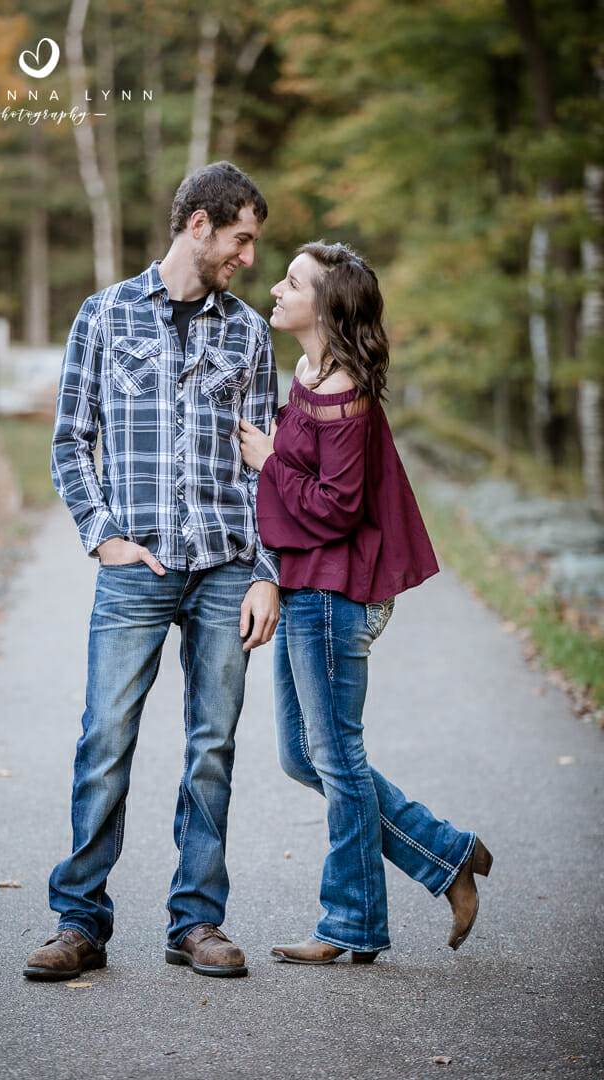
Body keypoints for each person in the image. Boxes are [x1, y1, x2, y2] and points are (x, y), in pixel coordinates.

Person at [23, 162, 280, 982]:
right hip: (135, 564)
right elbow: (69, 442)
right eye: (241, 237)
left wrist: (268, 572)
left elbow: (272, 466)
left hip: (227, 567)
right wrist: (102, 536)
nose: (248, 256)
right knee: (106, 739)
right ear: (199, 224)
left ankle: (196, 923)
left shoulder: (249, 333)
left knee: (213, 746)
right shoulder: (102, 316)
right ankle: (79, 921)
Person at [239, 241, 492, 964]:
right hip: (306, 585)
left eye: (292, 282)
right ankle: (446, 854)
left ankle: (350, 922)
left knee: (337, 758)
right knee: (302, 755)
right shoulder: (311, 372)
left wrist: (270, 462)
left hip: (331, 590)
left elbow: (338, 505)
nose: (277, 289)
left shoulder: (341, 391)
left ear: (322, 306)